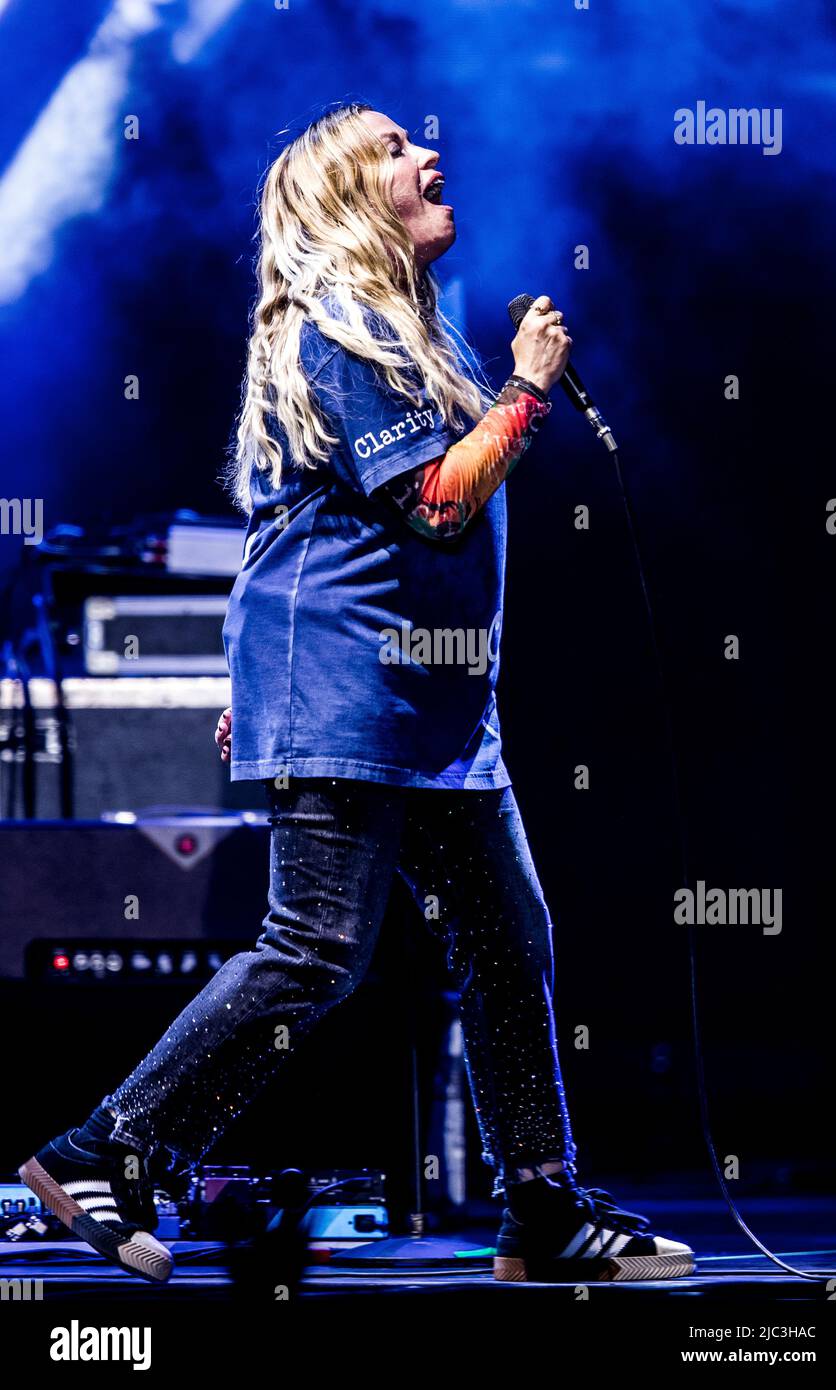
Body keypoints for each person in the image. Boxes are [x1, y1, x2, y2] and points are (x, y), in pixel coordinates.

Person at [19, 102, 694, 1286]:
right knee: (314, 947)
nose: (427, 154)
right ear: (341, 199)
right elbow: (435, 500)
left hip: (423, 703)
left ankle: (538, 1206)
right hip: (347, 684)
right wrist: (526, 392)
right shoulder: (339, 320)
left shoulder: (404, 323)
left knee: (504, 936)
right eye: (389, 150)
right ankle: (105, 1149)